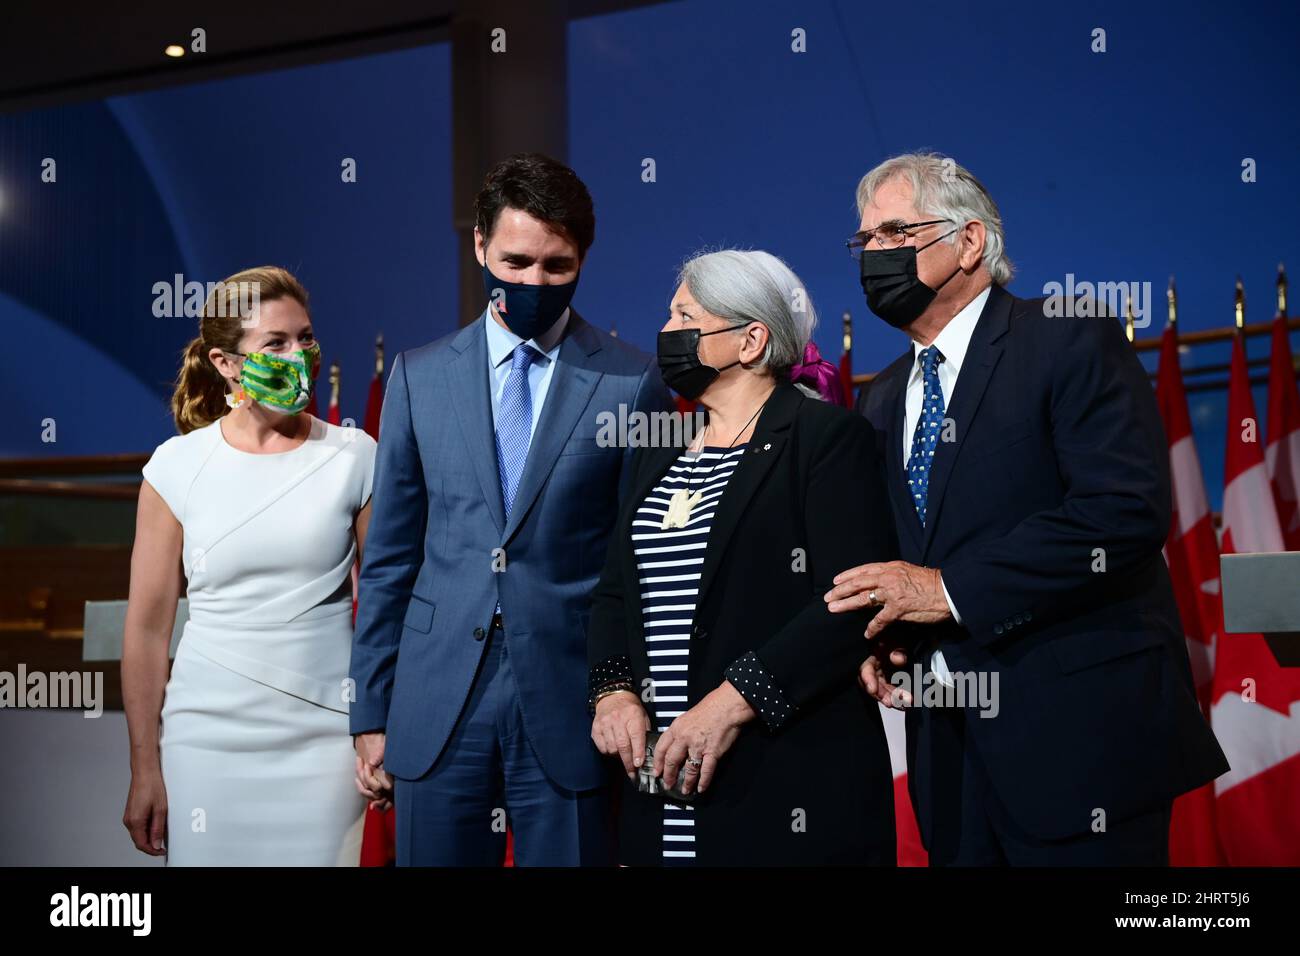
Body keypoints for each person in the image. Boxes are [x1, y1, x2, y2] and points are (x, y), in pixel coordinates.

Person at [831, 152, 1228, 865]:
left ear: (971, 241)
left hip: (1083, 744)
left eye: (895, 233)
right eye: (865, 242)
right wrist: (889, 634)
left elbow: (1122, 512)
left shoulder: (1066, 334)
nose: (874, 255)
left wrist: (946, 592)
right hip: (948, 757)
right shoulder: (883, 394)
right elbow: (916, 549)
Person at [349, 153, 673, 866]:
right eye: (516, 261)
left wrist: (630, 692)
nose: (532, 282)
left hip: (574, 700)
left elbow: (638, 566)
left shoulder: (632, 383)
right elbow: (390, 560)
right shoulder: (418, 376)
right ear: (479, 247)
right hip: (436, 704)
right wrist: (370, 711)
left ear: (583, 257)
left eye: (557, 266)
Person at [587, 249, 897, 865]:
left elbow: (849, 600)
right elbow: (616, 591)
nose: (668, 331)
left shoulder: (825, 439)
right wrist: (612, 691)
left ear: (751, 338)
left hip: (780, 778)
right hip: (660, 786)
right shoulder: (661, 451)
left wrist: (730, 704)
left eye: (685, 314)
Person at [122, 266, 376, 865]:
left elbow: (389, 606)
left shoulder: (355, 454)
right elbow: (147, 629)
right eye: (276, 344)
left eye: (306, 338)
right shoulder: (174, 468)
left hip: (326, 744)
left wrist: (378, 727)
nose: (300, 356)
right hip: (206, 743)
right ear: (227, 363)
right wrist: (143, 767)